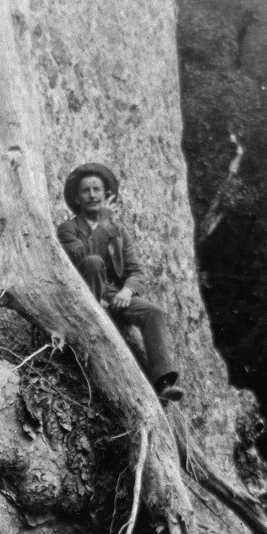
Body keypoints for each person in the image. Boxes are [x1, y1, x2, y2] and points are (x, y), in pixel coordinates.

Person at [57, 162, 183, 403]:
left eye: (97, 189)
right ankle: (97, 311)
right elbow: (83, 256)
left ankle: (163, 383)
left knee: (152, 312)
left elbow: (136, 271)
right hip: (85, 295)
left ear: (106, 195)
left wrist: (127, 291)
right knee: (93, 261)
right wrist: (103, 226)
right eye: (86, 190)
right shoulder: (67, 229)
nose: (92, 195)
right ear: (77, 198)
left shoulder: (119, 231)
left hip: (114, 296)